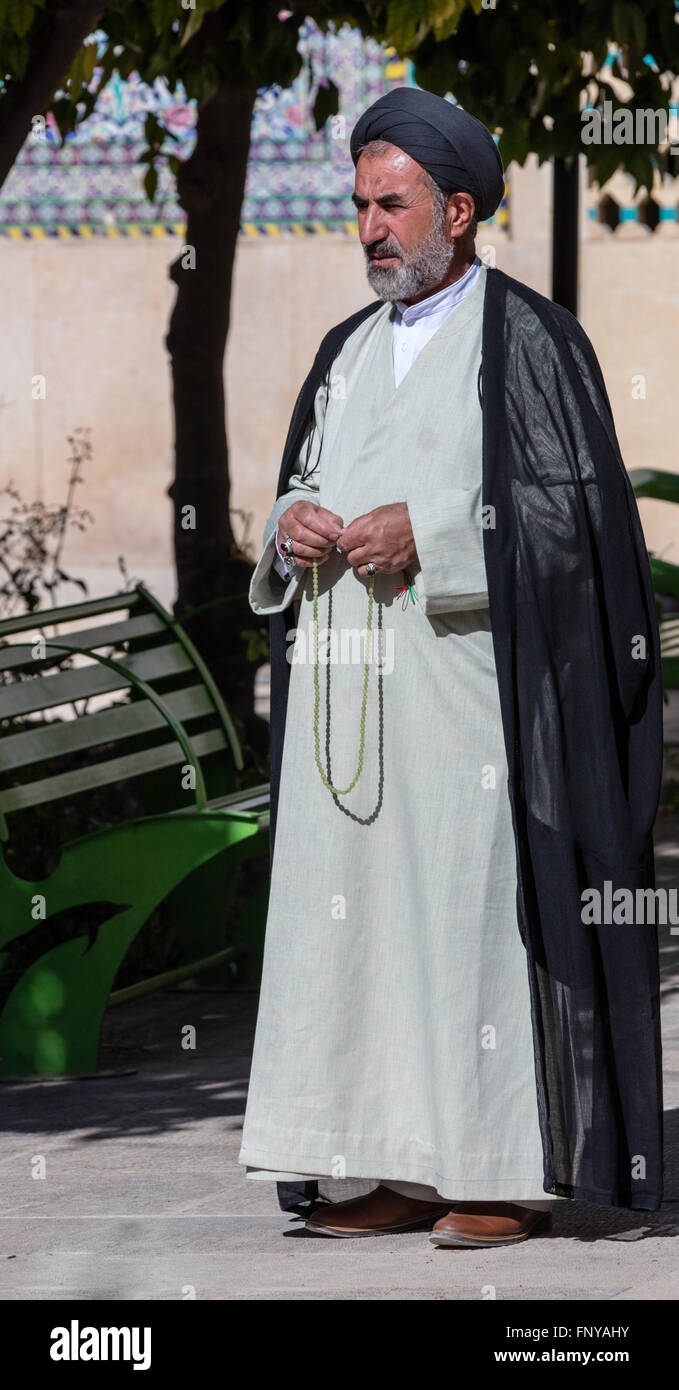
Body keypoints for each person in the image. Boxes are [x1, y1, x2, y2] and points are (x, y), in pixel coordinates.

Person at [237, 86, 663, 1249]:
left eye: (394, 204)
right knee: (363, 939)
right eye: (360, 204)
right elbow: (294, 484)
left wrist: (429, 527)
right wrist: (291, 525)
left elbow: (578, 524)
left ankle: (490, 1169)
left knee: (463, 930)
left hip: (466, 711)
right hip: (344, 709)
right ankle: (387, 1164)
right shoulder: (345, 349)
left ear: (458, 210)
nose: (371, 227)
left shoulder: (528, 339)